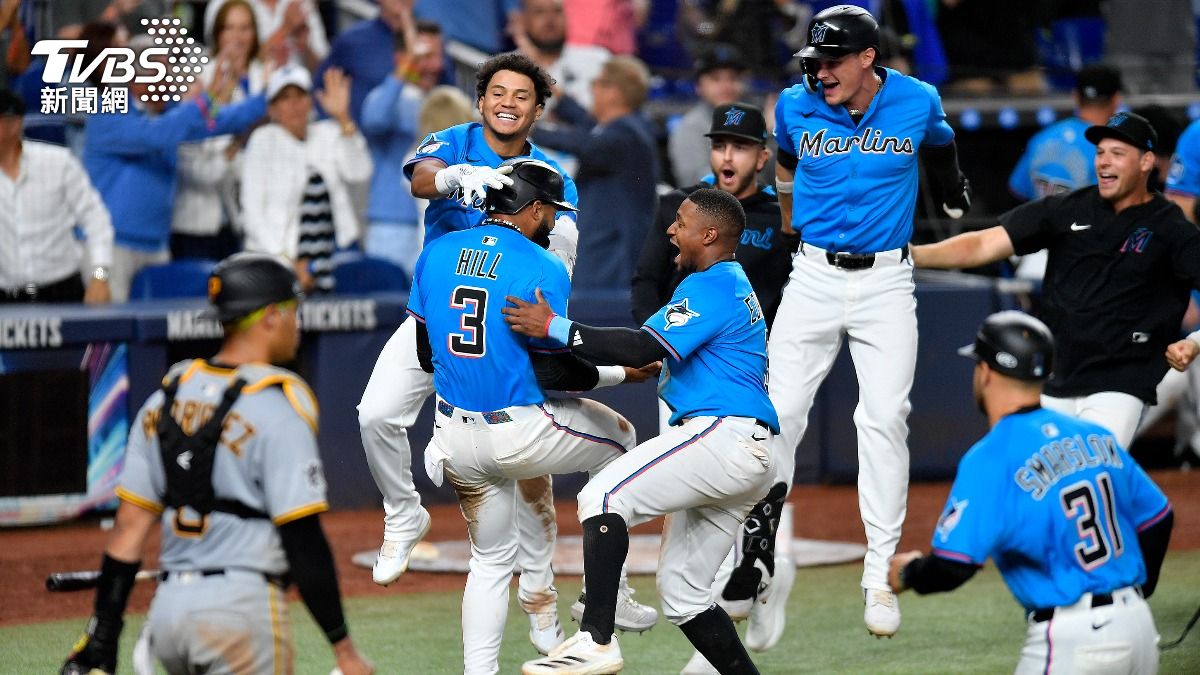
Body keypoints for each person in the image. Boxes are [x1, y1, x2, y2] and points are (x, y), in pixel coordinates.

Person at [357, 52, 658, 636]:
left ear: (539, 109)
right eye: (498, 92)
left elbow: (558, 264)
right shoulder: (458, 140)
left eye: (522, 95)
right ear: (481, 99)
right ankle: (403, 513)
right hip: (438, 317)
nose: (507, 103)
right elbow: (419, 177)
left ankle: (551, 617)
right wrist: (453, 178)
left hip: (504, 328)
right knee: (375, 415)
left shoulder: (551, 179)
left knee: (532, 479)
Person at [60, 252, 374, 675]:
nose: (297, 321)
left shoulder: (162, 403)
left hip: (168, 618)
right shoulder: (276, 409)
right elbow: (303, 540)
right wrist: (344, 649)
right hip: (241, 617)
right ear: (269, 317)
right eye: (292, 310)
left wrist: (104, 633)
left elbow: (128, 531)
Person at [766, 4, 971, 639]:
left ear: (867, 60)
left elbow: (940, 141)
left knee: (883, 418)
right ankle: (755, 553)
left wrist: (953, 190)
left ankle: (879, 572)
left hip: (886, 280)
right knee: (777, 415)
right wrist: (787, 222)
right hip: (814, 276)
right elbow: (784, 161)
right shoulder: (794, 105)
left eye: (831, 62)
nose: (819, 73)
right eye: (813, 61)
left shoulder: (915, 100)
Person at [512, 188, 777, 675]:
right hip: (748, 450)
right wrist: (635, 361)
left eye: (681, 222)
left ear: (710, 234)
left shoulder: (713, 284)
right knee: (683, 595)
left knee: (602, 497)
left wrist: (554, 326)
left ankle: (596, 639)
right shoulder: (724, 282)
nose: (671, 230)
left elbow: (637, 346)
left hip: (724, 434)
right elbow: (646, 351)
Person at [411, 158, 653, 674]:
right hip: (516, 432)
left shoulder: (436, 252)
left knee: (490, 564)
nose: (551, 222)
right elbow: (553, 370)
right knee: (623, 440)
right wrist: (616, 375)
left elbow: (427, 354)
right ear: (533, 208)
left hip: (453, 435)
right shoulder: (541, 265)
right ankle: (605, 595)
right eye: (549, 212)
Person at [888, 311, 1173, 675]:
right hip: (1140, 629)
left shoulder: (991, 456)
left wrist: (907, 574)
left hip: (1074, 640)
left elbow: (953, 565)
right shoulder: (1094, 435)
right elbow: (1159, 519)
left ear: (986, 372)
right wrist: (1132, 595)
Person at [912, 112, 1200, 451]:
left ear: (1147, 162)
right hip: (1055, 379)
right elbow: (984, 243)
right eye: (1100, 152)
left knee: (1090, 468)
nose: (1104, 162)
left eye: (1117, 154)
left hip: (1121, 384)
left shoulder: (1172, 229)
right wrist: (914, 254)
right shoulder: (1068, 209)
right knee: (1036, 477)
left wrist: (1195, 342)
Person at [631, 101, 795, 673]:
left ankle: (762, 576)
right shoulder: (685, 208)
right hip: (684, 364)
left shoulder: (783, 217)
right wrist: (655, 345)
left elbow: (795, 293)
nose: (728, 155)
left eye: (741, 145)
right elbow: (647, 277)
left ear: (762, 155)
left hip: (755, 370)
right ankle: (724, 606)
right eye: (720, 144)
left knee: (760, 483)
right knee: (688, 504)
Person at [83, 40, 267, 302]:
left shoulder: (170, 114)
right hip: (112, 248)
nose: (169, 81)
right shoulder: (107, 109)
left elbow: (218, 122)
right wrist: (206, 100)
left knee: (156, 334)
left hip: (157, 245)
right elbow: (156, 135)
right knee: (109, 334)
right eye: (161, 72)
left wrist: (266, 99)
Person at [532, 55, 659, 290]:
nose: (593, 90)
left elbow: (586, 144)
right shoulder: (628, 127)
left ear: (614, 92)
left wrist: (529, 128)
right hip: (609, 252)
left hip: (610, 257)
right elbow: (590, 127)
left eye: (597, 84)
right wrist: (558, 96)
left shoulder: (625, 135)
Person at [241, 64, 371, 293]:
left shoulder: (330, 132)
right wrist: (287, 264)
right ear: (272, 108)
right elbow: (252, 216)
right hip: (277, 263)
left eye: (300, 95)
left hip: (335, 259)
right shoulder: (263, 140)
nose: (294, 104)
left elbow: (360, 173)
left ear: (310, 101)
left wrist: (343, 117)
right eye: (284, 98)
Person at [170, 0, 268, 262]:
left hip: (243, 212)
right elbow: (191, 136)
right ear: (216, 33)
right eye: (229, 28)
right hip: (199, 212)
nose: (237, 38)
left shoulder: (267, 77)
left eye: (245, 28)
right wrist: (217, 101)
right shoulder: (199, 76)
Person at [0, 89, 114, 305]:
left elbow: (96, 219)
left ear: (14, 124)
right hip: (7, 300)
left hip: (62, 292)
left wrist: (99, 277)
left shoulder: (58, 162)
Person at [359, 15, 444, 278]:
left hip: (434, 226)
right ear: (401, 57)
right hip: (390, 226)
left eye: (435, 55)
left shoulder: (444, 104)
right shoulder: (387, 96)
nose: (432, 64)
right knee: (387, 314)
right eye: (423, 55)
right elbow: (374, 119)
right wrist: (407, 67)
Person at [1009, 64, 1123, 202]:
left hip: (1039, 222)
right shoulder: (1112, 151)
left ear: (1075, 95)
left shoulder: (1042, 137)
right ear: (1116, 99)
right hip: (1083, 223)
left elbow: (1018, 190)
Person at [668, 44, 748, 188]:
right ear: (698, 86)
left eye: (733, 78)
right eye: (716, 79)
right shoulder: (690, 127)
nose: (726, 86)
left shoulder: (753, 118)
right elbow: (697, 185)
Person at [510, 0, 609, 111]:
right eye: (539, 12)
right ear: (522, 19)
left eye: (557, 11)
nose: (550, 20)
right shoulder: (505, 67)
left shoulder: (598, 61)